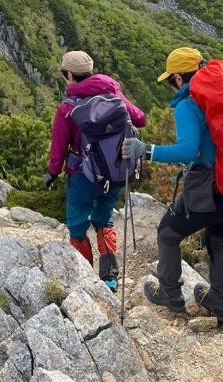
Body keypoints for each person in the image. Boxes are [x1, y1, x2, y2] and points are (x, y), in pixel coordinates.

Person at [122, 47, 223, 325]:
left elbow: (188, 151)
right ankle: (219, 302)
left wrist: (147, 151)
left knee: (168, 233)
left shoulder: (188, 104)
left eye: (170, 80)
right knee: (219, 237)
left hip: (211, 188)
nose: (171, 86)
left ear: (179, 78)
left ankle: (170, 295)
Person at [45, 50, 146, 291]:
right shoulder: (114, 96)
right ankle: (110, 277)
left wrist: (52, 173)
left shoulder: (68, 109)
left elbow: (59, 148)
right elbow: (140, 119)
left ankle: (84, 277)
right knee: (104, 218)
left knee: (78, 224)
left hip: (83, 175)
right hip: (116, 172)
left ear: (69, 75)